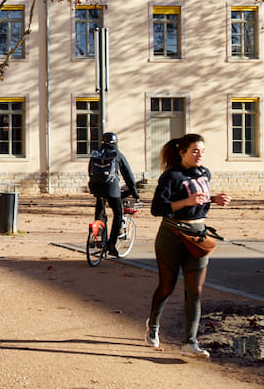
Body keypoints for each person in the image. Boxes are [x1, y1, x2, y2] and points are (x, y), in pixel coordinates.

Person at [146, 133, 231, 358]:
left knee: (195, 290)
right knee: (167, 286)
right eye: (194, 151)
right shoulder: (171, 176)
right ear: (182, 152)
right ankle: (153, 324)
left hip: (198, 235)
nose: (199, 155)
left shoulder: (205, 173)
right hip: (172, 235)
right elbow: (157, 208)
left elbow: (199, 198)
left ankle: (190, 342)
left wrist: (214, 199)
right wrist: (187, 202)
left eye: (202, 151)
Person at [87, 131, 139, 258]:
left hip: (96, 188)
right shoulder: (117, 155)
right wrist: (134, 192)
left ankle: (96, 235)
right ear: (116, 143)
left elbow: (90, 172)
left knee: (100, 208)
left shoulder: (96, 154)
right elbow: (128, 175)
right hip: (111, 189)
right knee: (118, 213)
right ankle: (111, 244)